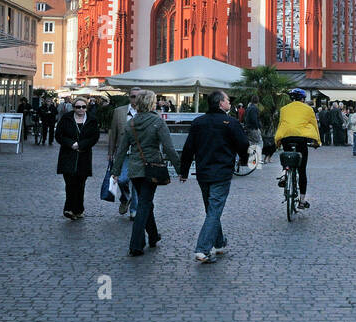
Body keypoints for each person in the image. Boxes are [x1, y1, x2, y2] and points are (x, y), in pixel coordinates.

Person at [179, 90, 248, 263]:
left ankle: (219, 243)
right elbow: (243, 144)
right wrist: (244, 160)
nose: (230, 103)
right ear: (220, 103)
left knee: (211, 209)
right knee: (214, 210)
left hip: (203, 172)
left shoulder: (198, 122)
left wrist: (184, 171)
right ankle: (202, 249)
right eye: (227, 100)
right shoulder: (230, 123)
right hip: (222, 172)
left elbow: (189, 148)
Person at [112, 90, 182, 257]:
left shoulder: (131, 123)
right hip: (152, 167)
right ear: (152, 104)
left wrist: (116, 170)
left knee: (146, 202)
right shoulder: (158, 122)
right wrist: (180, 169)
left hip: (135, 169)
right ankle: (136, 244)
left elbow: (121, 150)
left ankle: (153, 236)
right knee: (144, 204)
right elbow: (169, 148)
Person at [274, 88, 321, 208]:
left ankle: (286, 173)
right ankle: (302, 201)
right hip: (300, 139)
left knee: (288, 158)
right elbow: (314, 125)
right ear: (303, 99)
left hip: (286, 138)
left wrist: (278, 141)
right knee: (302, 170)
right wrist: (317, 141)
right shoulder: (308, 109)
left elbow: (281, 124)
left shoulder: (284, 109)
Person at [56, 97, 100, 220]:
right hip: (68, 155)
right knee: (69, 183)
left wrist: (81, 145)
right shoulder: (66, 119)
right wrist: (71, 143)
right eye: (78, 107)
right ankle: (68, 209)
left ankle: (78, 209)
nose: (81, 109)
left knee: (80, 184)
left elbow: (94, 137)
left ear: (86, 107)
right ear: (74, 107)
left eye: (83, 107)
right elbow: (59, 135)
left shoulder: (92, 120)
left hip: (84, 156)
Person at [108, 87, 142, 217]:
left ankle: (134, 210)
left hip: (139, 154)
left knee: (136, 182)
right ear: (129, 97)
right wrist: (110, 152)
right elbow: (113, 133)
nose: (135, 99)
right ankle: (125, 198)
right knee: (122, 180)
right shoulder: (119, 112)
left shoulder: (145, 112)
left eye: (138, 97)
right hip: (123, 153)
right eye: (133, 96)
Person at [243, 94, 263, 165]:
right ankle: (256, 159)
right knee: (259, 142)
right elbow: (254, 119)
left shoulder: (248, 108)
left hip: (248, 128)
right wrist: (258, 127)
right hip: (253, 128)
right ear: (257, 101)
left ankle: (251, 159)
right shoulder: (254, 108)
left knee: (251, 143)